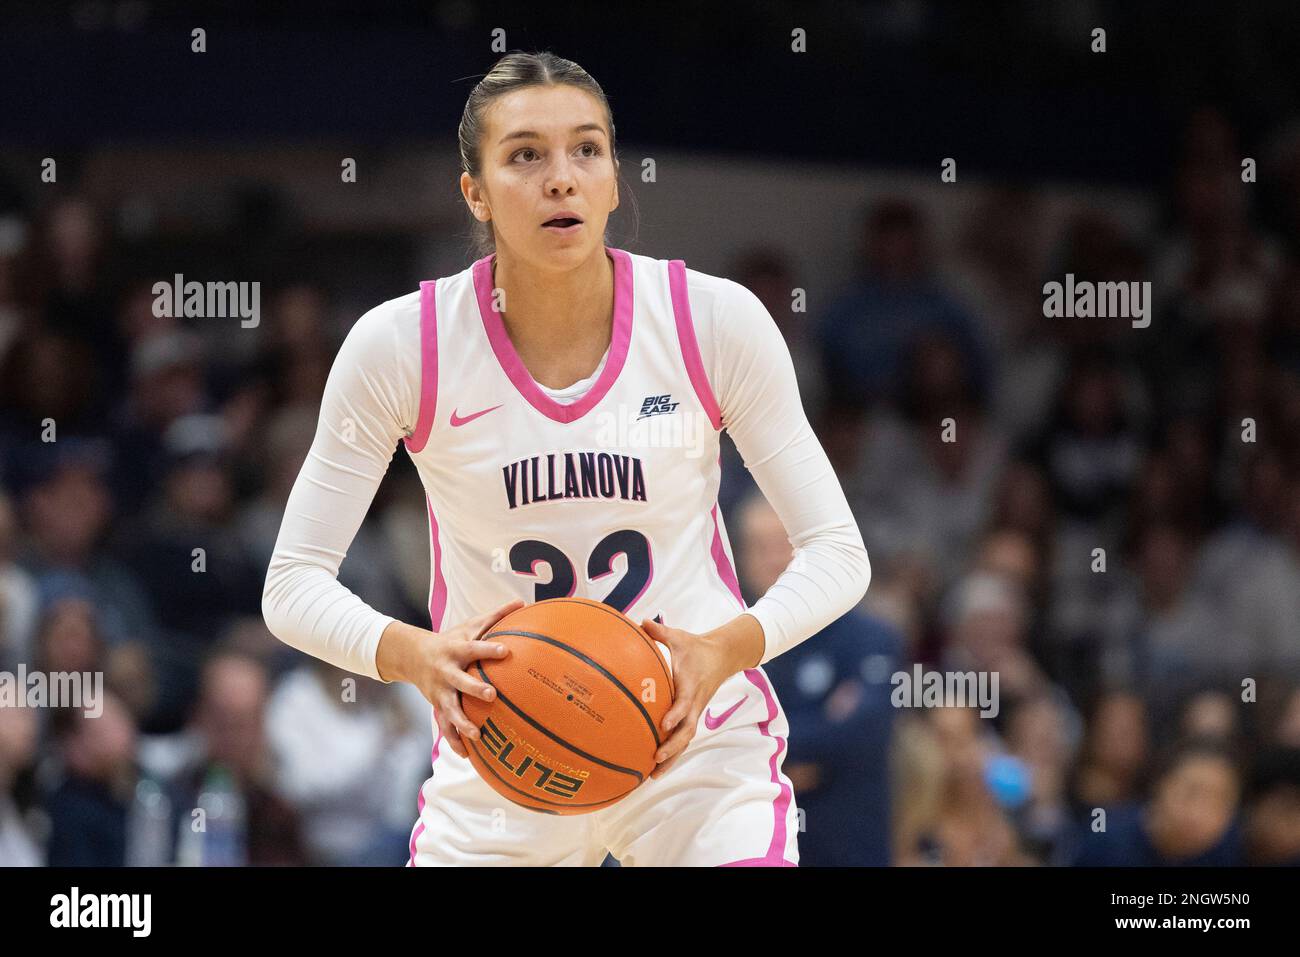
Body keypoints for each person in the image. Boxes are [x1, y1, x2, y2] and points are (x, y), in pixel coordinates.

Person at [262, 51, 870, 867]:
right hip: (504, 751)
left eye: (587, 149)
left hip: (693, 742)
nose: (562, 178)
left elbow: (839, 553)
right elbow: (292, 581)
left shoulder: (712, 322)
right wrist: (414, 653)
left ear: (616, 178)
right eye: (525, 155)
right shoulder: (403, 346)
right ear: (474, 192)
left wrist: (726, 648)